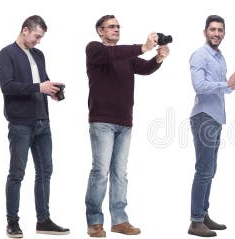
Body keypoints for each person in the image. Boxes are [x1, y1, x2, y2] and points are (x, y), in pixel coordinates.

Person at [84, 14, 169, 238]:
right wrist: (143, 46)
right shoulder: (95, 49)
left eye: (118, 26)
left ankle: (119, 221)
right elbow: (113, 53)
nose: (116, 29)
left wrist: (158, 58)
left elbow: (145, 68)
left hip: (124, 122)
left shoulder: (125, 55)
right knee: (100, 172)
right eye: (111, 26)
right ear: (100, 30)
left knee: (120, 174)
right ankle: (94, 222)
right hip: (102, 121)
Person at [0, 15, 70, 238]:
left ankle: (43, 220)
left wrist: (53, 91)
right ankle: (12, 222)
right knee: (17, 174)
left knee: (45, 172)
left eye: (41, 37)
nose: (38, 41)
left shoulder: (39, 54)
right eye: (36, 36)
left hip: (42, 122)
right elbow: (7, 86)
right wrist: (39, 87)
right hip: (20, 123)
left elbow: (42, 82)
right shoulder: (6, 54)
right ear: (25, 30)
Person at [187, 14, 235, 238]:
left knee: (210, 170)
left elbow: (220, 88)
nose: (216, 33)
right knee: (203, 170)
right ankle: (195, 222)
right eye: (212, 30)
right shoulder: (199, 55)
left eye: (220, 30)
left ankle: (203, 214)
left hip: (215, 118)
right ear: (205, 32)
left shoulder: (220, 57)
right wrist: (225, 84)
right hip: (203, 116)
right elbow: (199, 85)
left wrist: (233, 87)